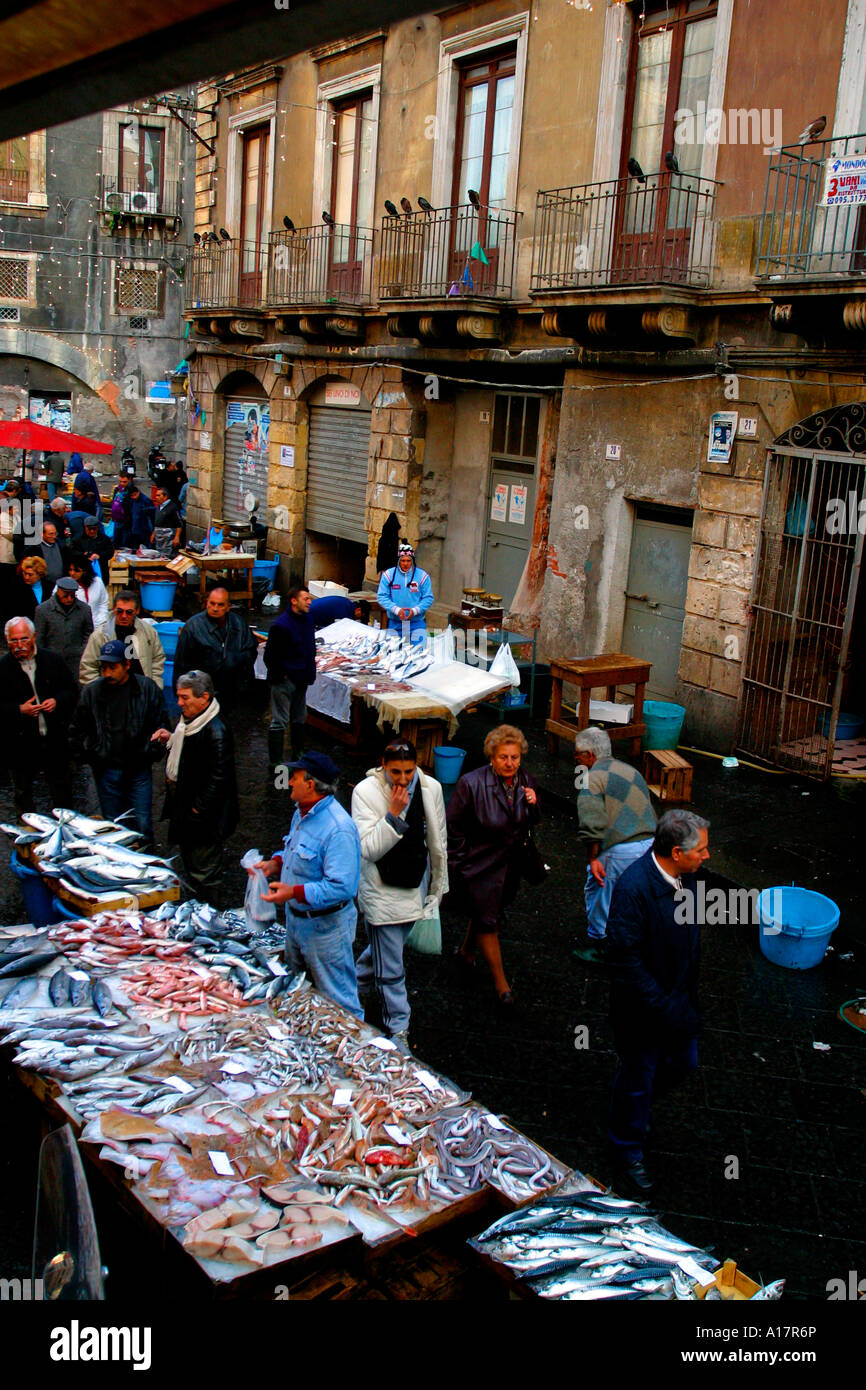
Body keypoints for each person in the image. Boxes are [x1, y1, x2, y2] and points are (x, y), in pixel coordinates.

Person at [606, 809, 710, 1192]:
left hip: (678, 999)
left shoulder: (688, 876)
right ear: (676, 853)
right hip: (643, 1010)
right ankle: (627, 1148)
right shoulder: (633, 889)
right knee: (639, 1075)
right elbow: (624, 958)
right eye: (701, 850)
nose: (707, 856)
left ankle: (633, 1107)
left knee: (684, 1062)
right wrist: (660, 1002)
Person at [351, 739, 447, 1048]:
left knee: (384, 949)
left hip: (416, 882)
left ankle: (352, 987)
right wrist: (393, 815)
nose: (403, 779)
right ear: (383, 765)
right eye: (396, 772)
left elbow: (438, 840)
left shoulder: (431, 788)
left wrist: (438, 886)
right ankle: (399, 1024)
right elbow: (368, 848)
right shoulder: (364, 792)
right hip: (382, 887)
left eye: (409, 771)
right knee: (391, 965)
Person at [252, 751, 362, 1018]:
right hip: (296, 923)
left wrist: (293, 892)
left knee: (340, 1003)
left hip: (326, 931)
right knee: (294, 991)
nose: (289, 782)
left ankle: (356, 1041)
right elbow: (294, 848)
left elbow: (342, 887)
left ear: (310, 784)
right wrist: (275, 863)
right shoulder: (301, 812)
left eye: (295, 777)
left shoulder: (339, 829)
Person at [446, 724, 541, 1006]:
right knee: (488, 921)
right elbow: (453, 826)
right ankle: (502, 987)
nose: (510, 763)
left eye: (515, 757)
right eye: (503, 757)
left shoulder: (526, 780)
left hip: (509, 865)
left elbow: (531, 821)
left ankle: (466, 952)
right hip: (480, 865)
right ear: (491, 757)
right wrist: (459, 864)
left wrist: (534, 804)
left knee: (487, 913)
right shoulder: (471, 784)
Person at [70, 639, 169, 845]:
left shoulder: (147, 689)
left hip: (138, 770)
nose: (107, 673)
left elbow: (161, 726)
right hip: (107, 771)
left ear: (127, 665)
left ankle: (146, 861)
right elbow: (77, 730)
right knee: (113, 827)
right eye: (103, 668)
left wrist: (149, 753)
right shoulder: (92, 692)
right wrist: (93, 754)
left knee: (142, 824)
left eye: (113, 667)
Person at [153, 669, 238, 905]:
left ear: (205, 698)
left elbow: (219, 778)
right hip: (186, 809)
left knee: (204, 871)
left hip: (203, 818)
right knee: (191, 863)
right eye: (178, 696)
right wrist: (171, 738)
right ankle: (196, 907)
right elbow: (188, 749)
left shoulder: (216, 731)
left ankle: (208, 913)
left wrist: (197, 808)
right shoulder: (189, 722)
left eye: (185, 697)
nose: (179, 703)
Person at [573, 727, 657, 964]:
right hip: (649, 843)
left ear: (590, 755)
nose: (576, 758)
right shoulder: (631, 771)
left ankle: (602, 946)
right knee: (636, 894)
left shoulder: (591, 779)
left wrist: (593, 858)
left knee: (598, 892)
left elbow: (592, 823)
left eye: (578, 753)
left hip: (620, 849)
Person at [0, 616, 79, 814]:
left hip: (54, 739)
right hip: (20, 743)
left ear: (34, 637)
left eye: (24, 639)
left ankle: (65, 827)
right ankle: (26, 830)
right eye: (14, 640)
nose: (19, 645)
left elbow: (72, 690)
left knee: (62, 791)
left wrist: (56, 701)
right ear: (7, 641)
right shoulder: (3, 668)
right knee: (23, 793)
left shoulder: (52, 660)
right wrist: (19, 710)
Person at [172, 586, 257, 711]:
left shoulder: (238, 624)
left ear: (228, 607)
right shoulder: (193, 627)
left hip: (233, 690)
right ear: (207, 603)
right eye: (212, 603)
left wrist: (234, 661)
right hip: (203, 691)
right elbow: (181, 663)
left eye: (220, 605)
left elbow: (251, 651)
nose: (215, 608)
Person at [263, 585, 317, 769]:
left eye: (309, 599)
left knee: (299, 717)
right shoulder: (281, 625)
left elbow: (309, 649)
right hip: (284, 681)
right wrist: (282, 675)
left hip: (302, 678)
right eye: (305, 599)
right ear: (294, 601)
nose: (309, 602)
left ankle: (298, 754)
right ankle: (276, 762)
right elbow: (270, 656)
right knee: (280, 720)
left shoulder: (308, 620)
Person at [79, 589, 165, 687]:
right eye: (119, 611)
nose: (124, 616)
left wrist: (155, 688)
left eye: (129, 612)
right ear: (113, 609)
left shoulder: (149, 632)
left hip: (141, 690)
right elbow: (88, 668)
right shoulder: (100, 635)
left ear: (137, 611)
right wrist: (98, 692)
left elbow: (158, 661)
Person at [34, 576, 93, 674]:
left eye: (72, 596)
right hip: (51, 663)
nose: (69, 599)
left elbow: (88, 634)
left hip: (77, 664)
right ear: (58, 591)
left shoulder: (84, 609)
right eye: (65, 596)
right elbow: (39, 638)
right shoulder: (43, 610)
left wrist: (81, 651)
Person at [377, 542, 434, 644]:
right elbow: (382, 596)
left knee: (418, 652)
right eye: (403, 560)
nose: (406, 564)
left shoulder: (423, 576)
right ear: (399, 560)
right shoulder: (389, 575)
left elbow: (428, 598)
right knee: (393, 651)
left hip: (416, 623)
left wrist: (415, 610)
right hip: (395, 623)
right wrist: (396, 610)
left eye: (408, 560)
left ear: (412, 560)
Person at [66, 552, 110, 629]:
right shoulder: (64, 584)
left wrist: (101, 620)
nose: (72, 573)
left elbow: (103, 602)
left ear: (84, 571)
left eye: (76, 570)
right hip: (73, 628)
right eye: (70, 570)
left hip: (96, 626)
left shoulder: (97, 582)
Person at [150, 485, 183, 555]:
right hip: (159, 537)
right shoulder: (159, 507)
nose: (156, 497)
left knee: (168, 555)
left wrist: (177, 537)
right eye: (156, 495)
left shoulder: (173, 507)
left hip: (168, 537)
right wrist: (153, 534)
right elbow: (157, 522)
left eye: (158, 495)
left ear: (165, 496)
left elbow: (179, 524)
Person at [14, 555, 48, 619]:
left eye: (30, 575)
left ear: (40, 574)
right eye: (25, 573)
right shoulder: (17, 588)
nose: (26, 577)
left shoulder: (49, 587)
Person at [36, 520, 68, 587]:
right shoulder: (34, 549)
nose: (54, 536)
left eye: (55, 533)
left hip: (61, 584)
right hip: (44, 586)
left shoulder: (61, 546)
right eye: (51, 534)